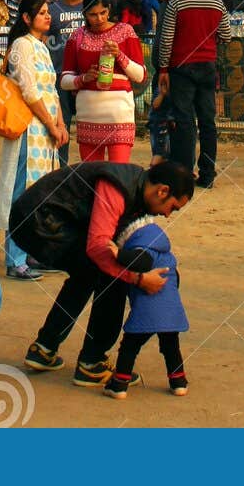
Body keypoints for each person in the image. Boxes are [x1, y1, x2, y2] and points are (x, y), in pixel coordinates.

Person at [13, 159, 194, 387]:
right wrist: (137, 279)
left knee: (86, 273)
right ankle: (92, 362)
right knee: (109, 276)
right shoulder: (117, 187)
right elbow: (98, 247)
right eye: (173, 207)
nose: (168, 215)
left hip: (40, 218)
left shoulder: (134, 187)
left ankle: (44, 348)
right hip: (38, 222)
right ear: (162, 191)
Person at [0, 0, 68, 281]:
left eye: (48, 13)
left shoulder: (41, 46)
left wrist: (60, 123)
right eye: (42, 13)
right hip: (28, 131)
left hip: (45, 131)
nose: (48, 17)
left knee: (41, 192)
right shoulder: (22, 46)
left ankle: (32, 251)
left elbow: (52, 91)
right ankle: (15, 258)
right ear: (26, 17)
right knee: (22, 193)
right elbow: (30, 91)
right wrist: (51, 123)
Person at [156, 0, 231, 189]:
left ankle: (184, 172)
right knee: (208, 121)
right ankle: (207, 173)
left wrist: (163, 68)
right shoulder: (216, 2)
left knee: (184, 120)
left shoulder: (176, 3)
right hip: (208, 65)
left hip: (181, 67)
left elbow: (166, 39)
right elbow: (227, 35)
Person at [102, 218, 189, 400]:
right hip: (170, 311)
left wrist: (118, 254)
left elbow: (140, 262)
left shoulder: (143, 248)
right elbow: (177, 280)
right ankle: (178, 382)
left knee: (129, 347)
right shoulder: (166, 255)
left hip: (147, 310)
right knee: (171, 346)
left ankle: (119, 384)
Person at [61, 0, 145, 162]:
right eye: (93, 15)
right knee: (91, 175)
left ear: (109, 10)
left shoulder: (126, 31)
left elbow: (140, 75)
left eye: (103, 13)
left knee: (118, 173)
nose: (99, 19)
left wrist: (120, 56)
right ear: (85, 14)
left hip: (119, 115)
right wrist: (83, 78)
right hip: (88, 115)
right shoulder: (77, 37)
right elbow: (64, 80)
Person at [148, 0, 182, 164]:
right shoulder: (164, 6)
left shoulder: (183, 7)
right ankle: (160, 157)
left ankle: (178, 163)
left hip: (176, 72)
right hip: (162, 71)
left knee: (176, 120)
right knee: (157, 119)